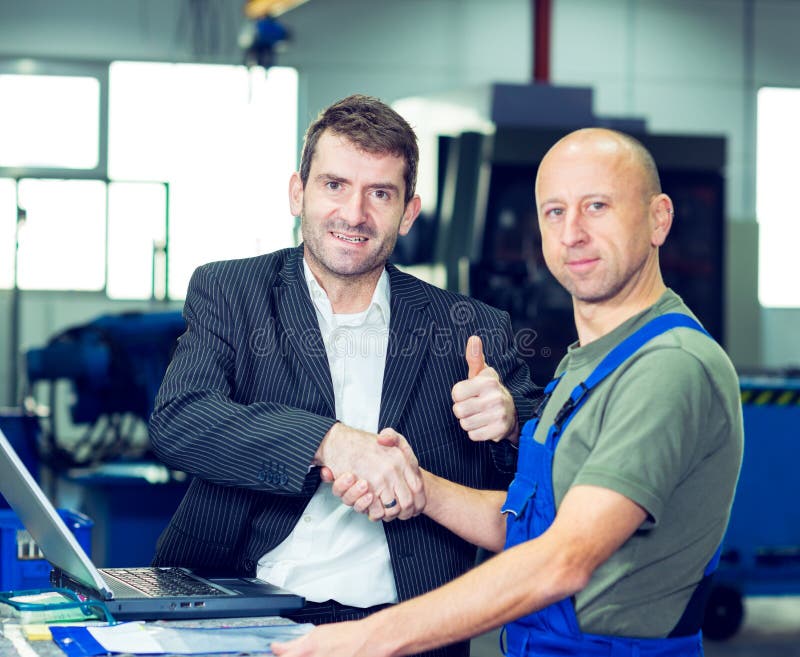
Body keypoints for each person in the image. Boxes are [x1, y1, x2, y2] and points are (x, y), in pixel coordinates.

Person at [271, 127, 744, 657]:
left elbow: (563, 558)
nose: (573, 233)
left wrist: (368, 638)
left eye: (597, 206)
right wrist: (414, 482)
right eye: (554, 212)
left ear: (659, 218)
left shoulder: (668, 367)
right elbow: (530, 526)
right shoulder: (585, 366)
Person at [148, 94, 537, 657]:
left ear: (408, 211)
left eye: (379, 193)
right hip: (246, 608)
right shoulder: (231, 292)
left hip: (406, 625)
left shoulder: (469, 327)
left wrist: (508, 422)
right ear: (297, 193)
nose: (354, 214)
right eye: (334, 185)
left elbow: (550, 477)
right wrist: (330, 444)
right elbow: (180, 419)